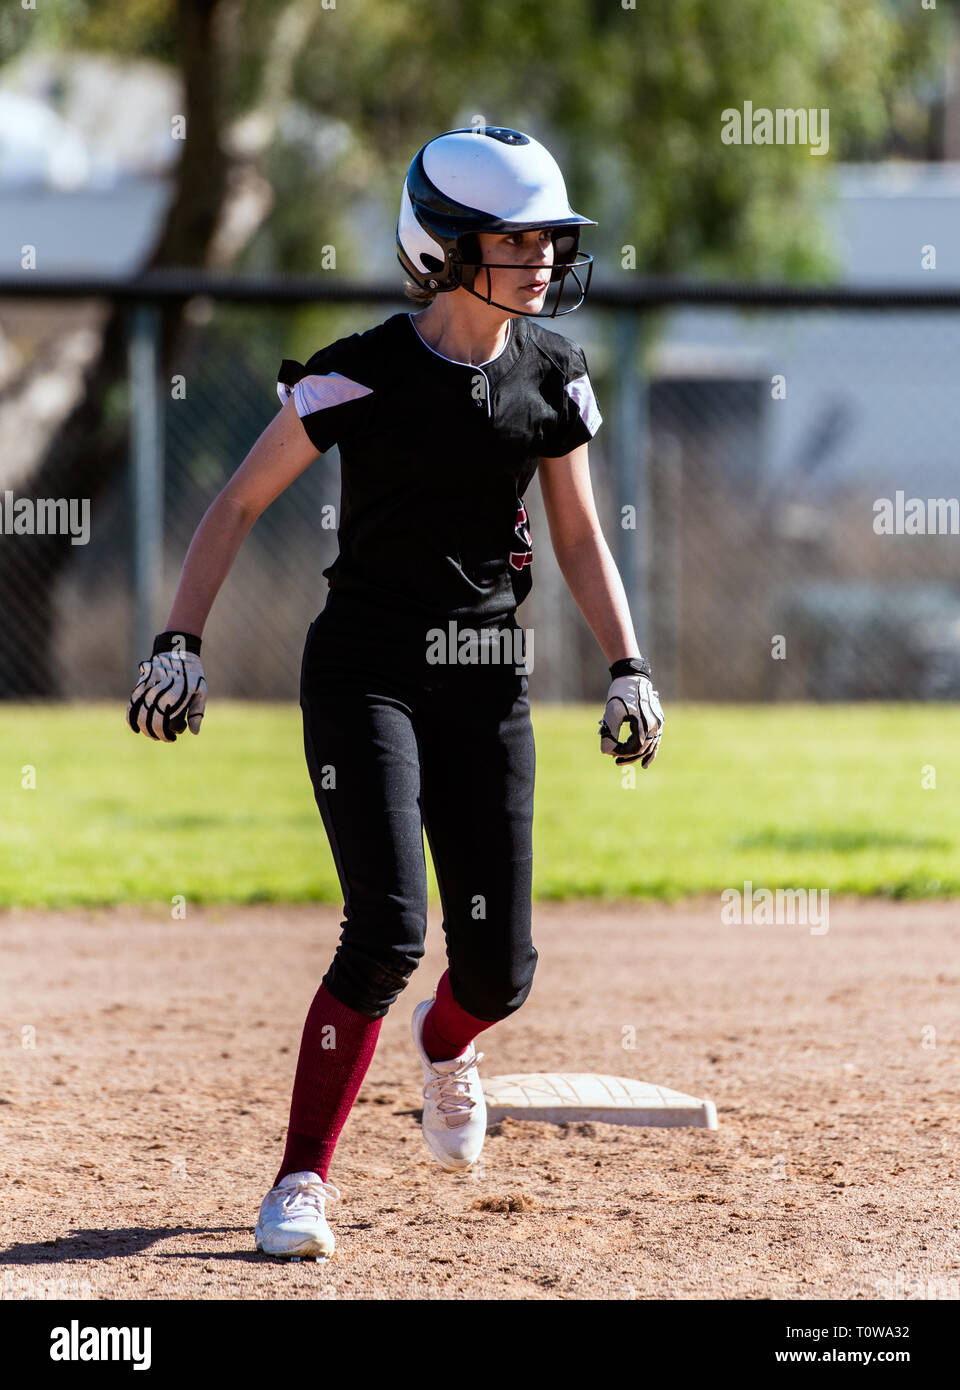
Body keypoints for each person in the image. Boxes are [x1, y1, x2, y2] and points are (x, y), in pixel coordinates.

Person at [125, 125, 665, 1263]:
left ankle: (447, 1042)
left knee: (498, 976)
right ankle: (302, 1180)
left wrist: (629, 665)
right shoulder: (363, 366)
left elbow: (576, 532)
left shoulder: (553, 372)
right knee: (384, 928)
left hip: (487, 681)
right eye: (515, 238)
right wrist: (179, 639)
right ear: (449, 246)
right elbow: (233, 505)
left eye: (546, 239)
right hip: (367, 672)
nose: (541, 259)